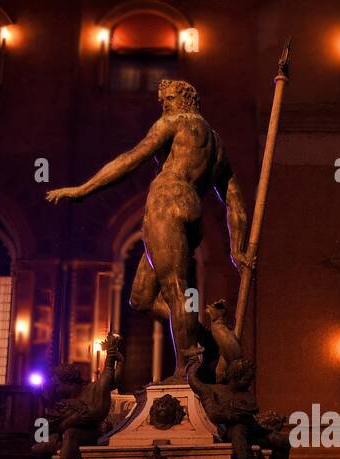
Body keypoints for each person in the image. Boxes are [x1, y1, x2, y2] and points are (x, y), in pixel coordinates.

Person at [46, 79, 249, 381]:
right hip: (192, 211)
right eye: (163, 101)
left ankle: (187, 372)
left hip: (165, 204)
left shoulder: (175, 122)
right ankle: (205, 339)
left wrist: (82, 189)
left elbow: (131, 159)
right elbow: (236, 203)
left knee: (176, 290)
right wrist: (237, 249)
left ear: (185, 99)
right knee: (140, 299)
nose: (164, 105)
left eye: (168, 99)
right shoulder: (217, 144)